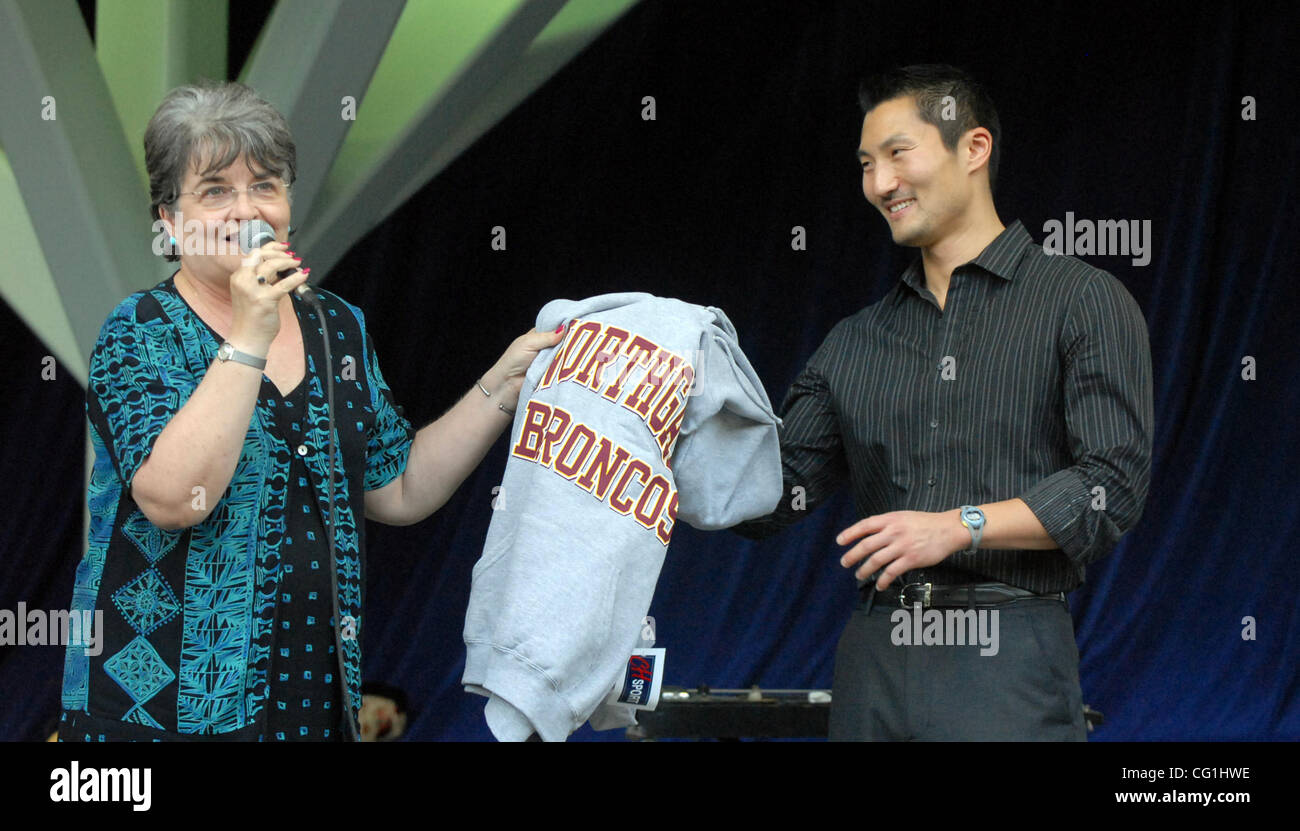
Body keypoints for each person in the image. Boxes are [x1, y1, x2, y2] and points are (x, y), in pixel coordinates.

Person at [60, 80, 562, 741]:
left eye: (266, 185)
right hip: (156, 715)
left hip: (314, 705)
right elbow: (177, 498)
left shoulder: (336, 327)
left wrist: (502, 385)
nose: (248, 209)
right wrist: (248, 335)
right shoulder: (140, 330)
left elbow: (399, 485)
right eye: (215, 190)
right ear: (169, 220)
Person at [733, 65, 1153, 740]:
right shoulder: (854, 339)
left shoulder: (1081, 299)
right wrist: (660, 422)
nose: (879, 184)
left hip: (1007, 655)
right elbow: (767, 497)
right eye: (867, 164)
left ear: (974, 148)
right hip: (874, 655)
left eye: (898, 153)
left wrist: (960, 524)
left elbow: (1111, 486)